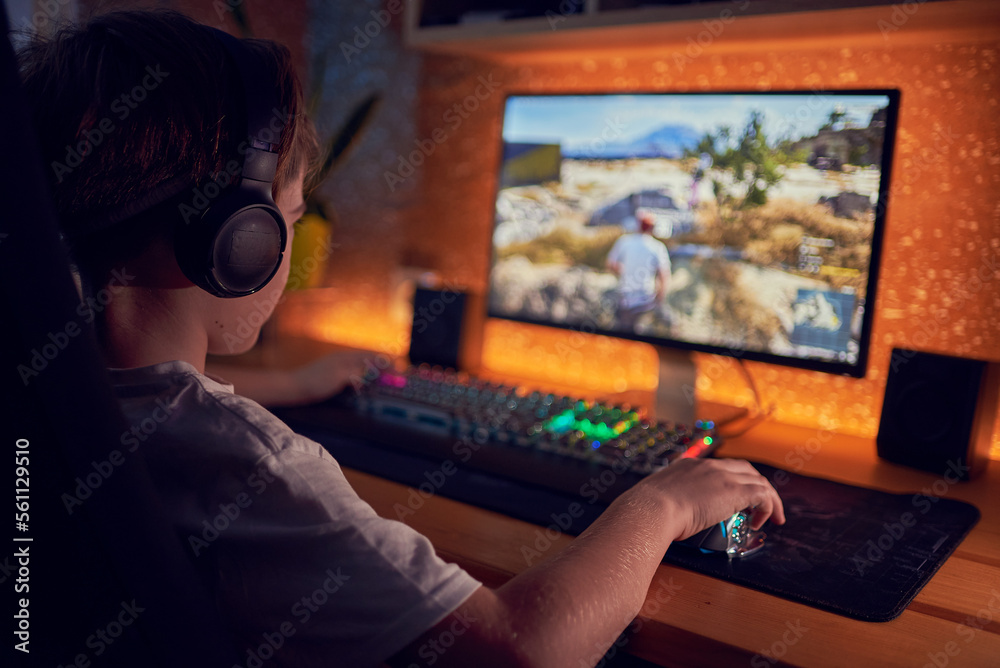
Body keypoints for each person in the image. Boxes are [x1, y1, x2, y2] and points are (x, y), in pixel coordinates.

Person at [19, 10, 784, 667]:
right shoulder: (251, 464)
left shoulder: (56, 392)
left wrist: (290, 383)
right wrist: (663, 503)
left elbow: (154, 403)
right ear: (231, 242)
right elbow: (523, 649)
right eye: (287, 216)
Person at [606, 212, 672, 332]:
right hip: (645, 299)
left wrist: (625, 271)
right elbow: (664, 275)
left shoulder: (624, 241)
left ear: (638, 226)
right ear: (653, 228)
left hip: (625, 296)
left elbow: (611, 264)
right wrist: (660, 297)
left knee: (623, 332)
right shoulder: (658, 247)